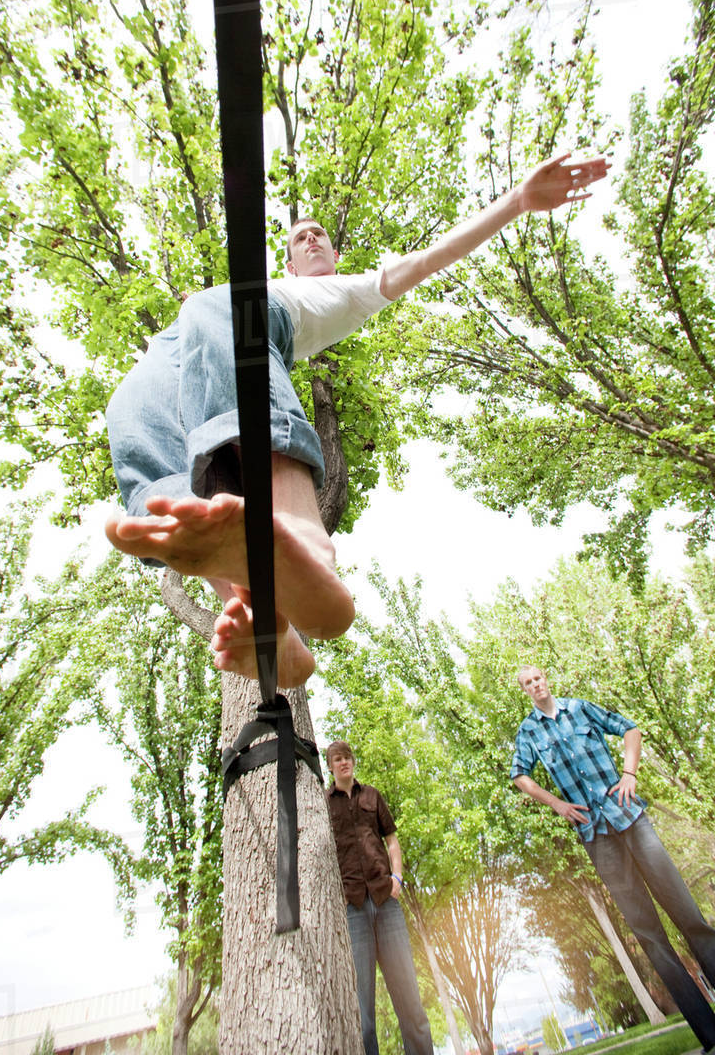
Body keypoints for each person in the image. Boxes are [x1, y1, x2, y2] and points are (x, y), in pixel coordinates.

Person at [105, 154, 609, 687]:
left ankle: (301, 528)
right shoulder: (244, 294)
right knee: (129, 405)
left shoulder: (349, 290)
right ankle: (264, 626)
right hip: (180, 346)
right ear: (290, 266)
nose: (312, 238)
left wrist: (516, 202)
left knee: (220, 305)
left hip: (241, 316)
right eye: (300, 239)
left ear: (335, 254)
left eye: (319, 234)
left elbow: (430, 260)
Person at [511, 666, 715, 1053]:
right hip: (596, 835)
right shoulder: (529, 732)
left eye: (538, 679)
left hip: (631, 817)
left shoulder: (580, 708)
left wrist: (629, 773)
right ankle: (708, 1033)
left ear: (547, 680)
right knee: (649, 935)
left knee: (687, 914)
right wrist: (556, 804)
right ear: (525, 691)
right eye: (527, 684)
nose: (535, 686)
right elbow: (521, 775)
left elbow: (630, 729)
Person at [325, 740, 434, 1055]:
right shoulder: (323, 803)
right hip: (353, 908)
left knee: (409, 998)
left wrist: (397, 877)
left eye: (347, 757)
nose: (344, 763)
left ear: (353, 762)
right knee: (362, 1011)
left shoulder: (372, 796)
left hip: (386, 903)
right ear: (331, 766)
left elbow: (392, 840)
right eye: (338, 759)